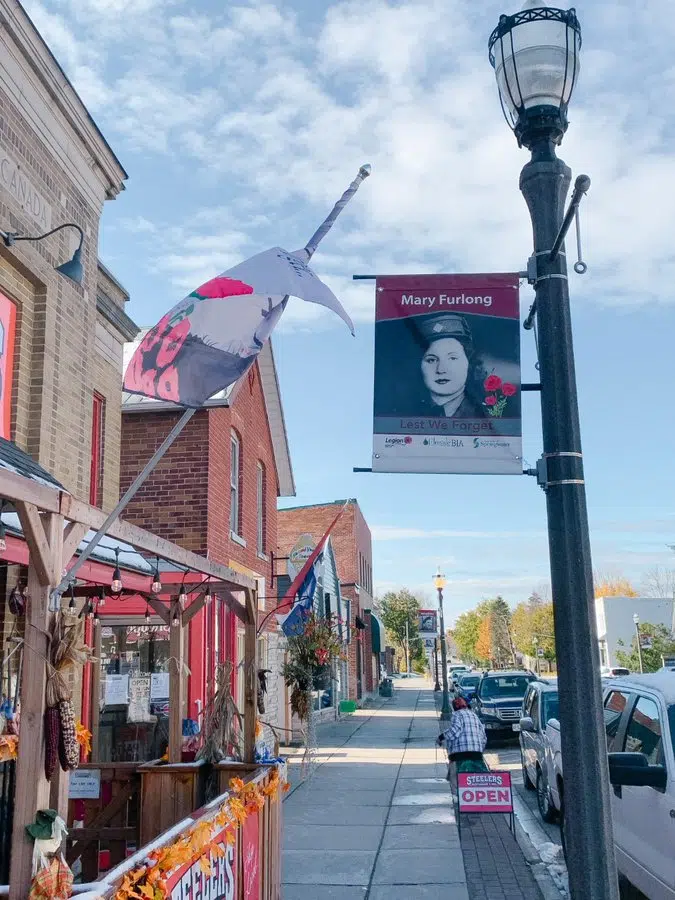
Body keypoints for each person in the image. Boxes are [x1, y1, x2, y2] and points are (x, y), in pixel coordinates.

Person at [417, 313, 486, 418]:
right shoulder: (403, 412)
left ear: (469, 362)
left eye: (452, 358)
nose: (441, 369)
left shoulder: (486, 414)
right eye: (431, 360)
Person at [437, 697, 488, 780]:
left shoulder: (456, 715)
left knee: (457, 782)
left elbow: (455, 730)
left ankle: (456, 793)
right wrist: (479, 750)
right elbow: (483, 737)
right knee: (479, 780)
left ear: (455, 708)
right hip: (477, 754)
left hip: (459, 756)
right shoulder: (474, 716)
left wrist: (441, 737)